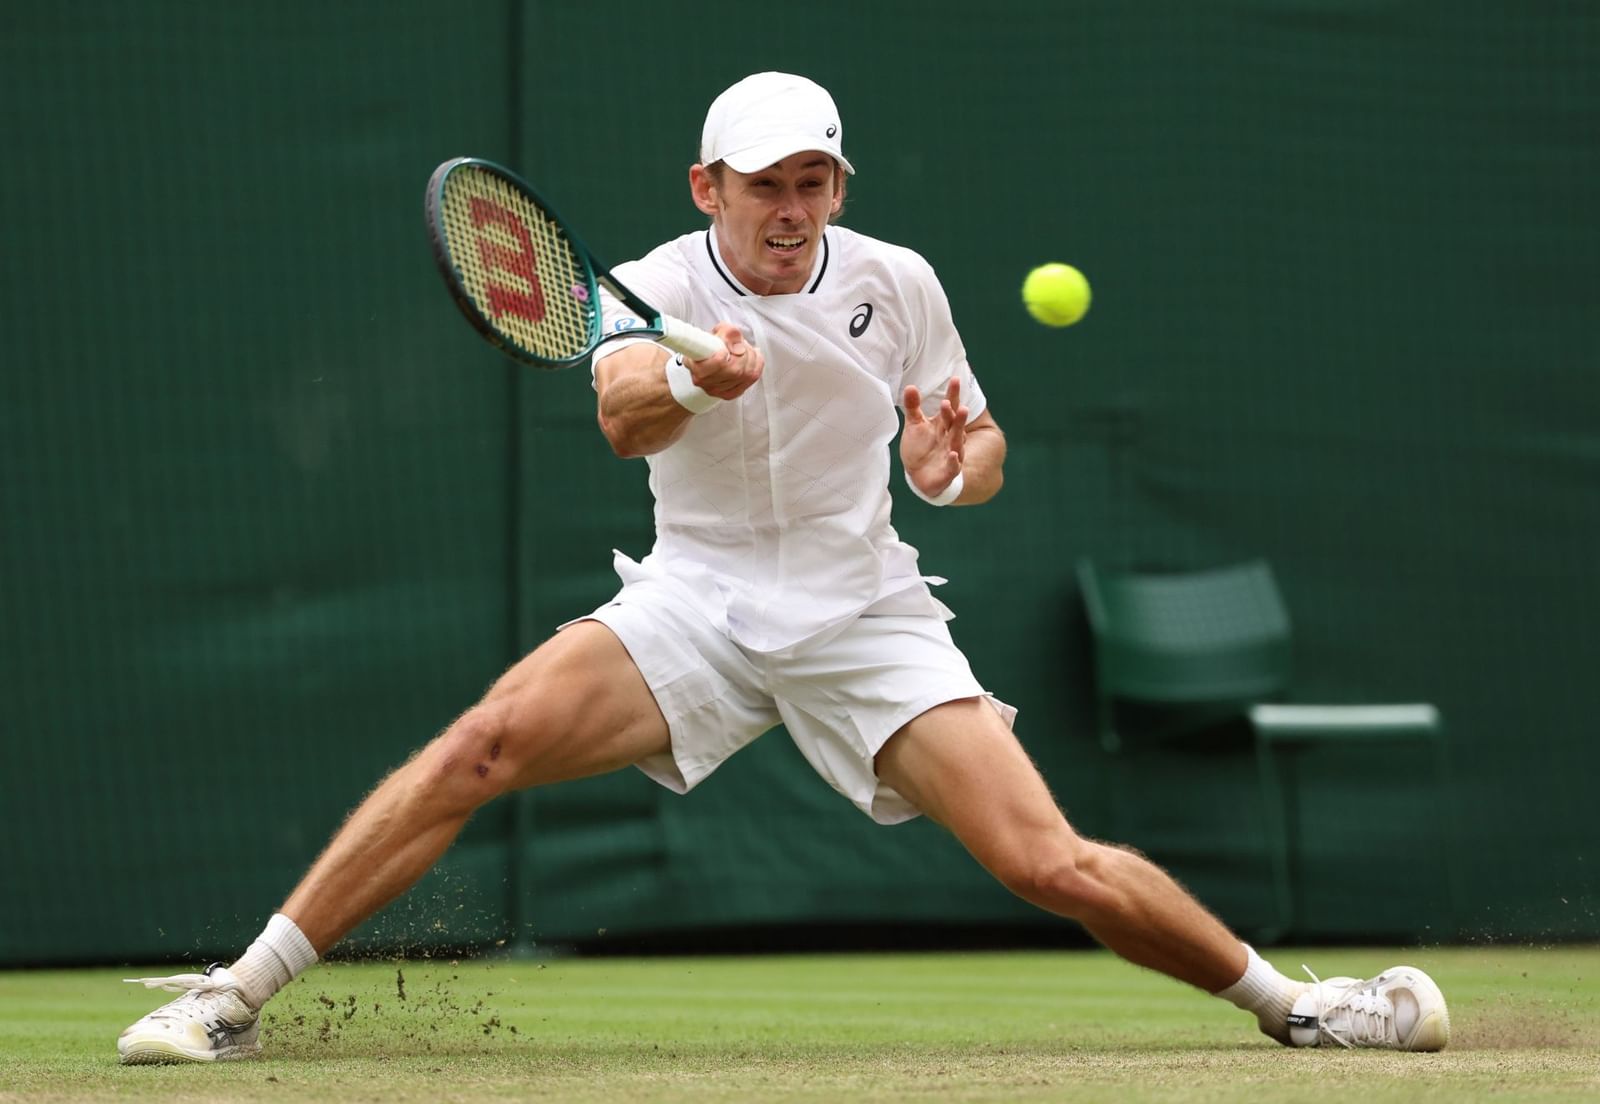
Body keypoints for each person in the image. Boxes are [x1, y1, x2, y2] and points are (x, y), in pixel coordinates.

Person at [117, 71, 1449, 1064]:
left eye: (814, 182)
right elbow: (623, 413)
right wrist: (703, 382)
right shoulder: (647, 287)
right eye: (766, 185)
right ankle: (233, 996)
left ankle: (1303, 1009)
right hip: (694, 603)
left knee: (1048, 863)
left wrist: (950, 466)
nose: (793, 209)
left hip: (864, 609)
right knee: (481, 747)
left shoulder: (899, 283)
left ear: (839, 190)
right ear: (709, 190)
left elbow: (975, 449)